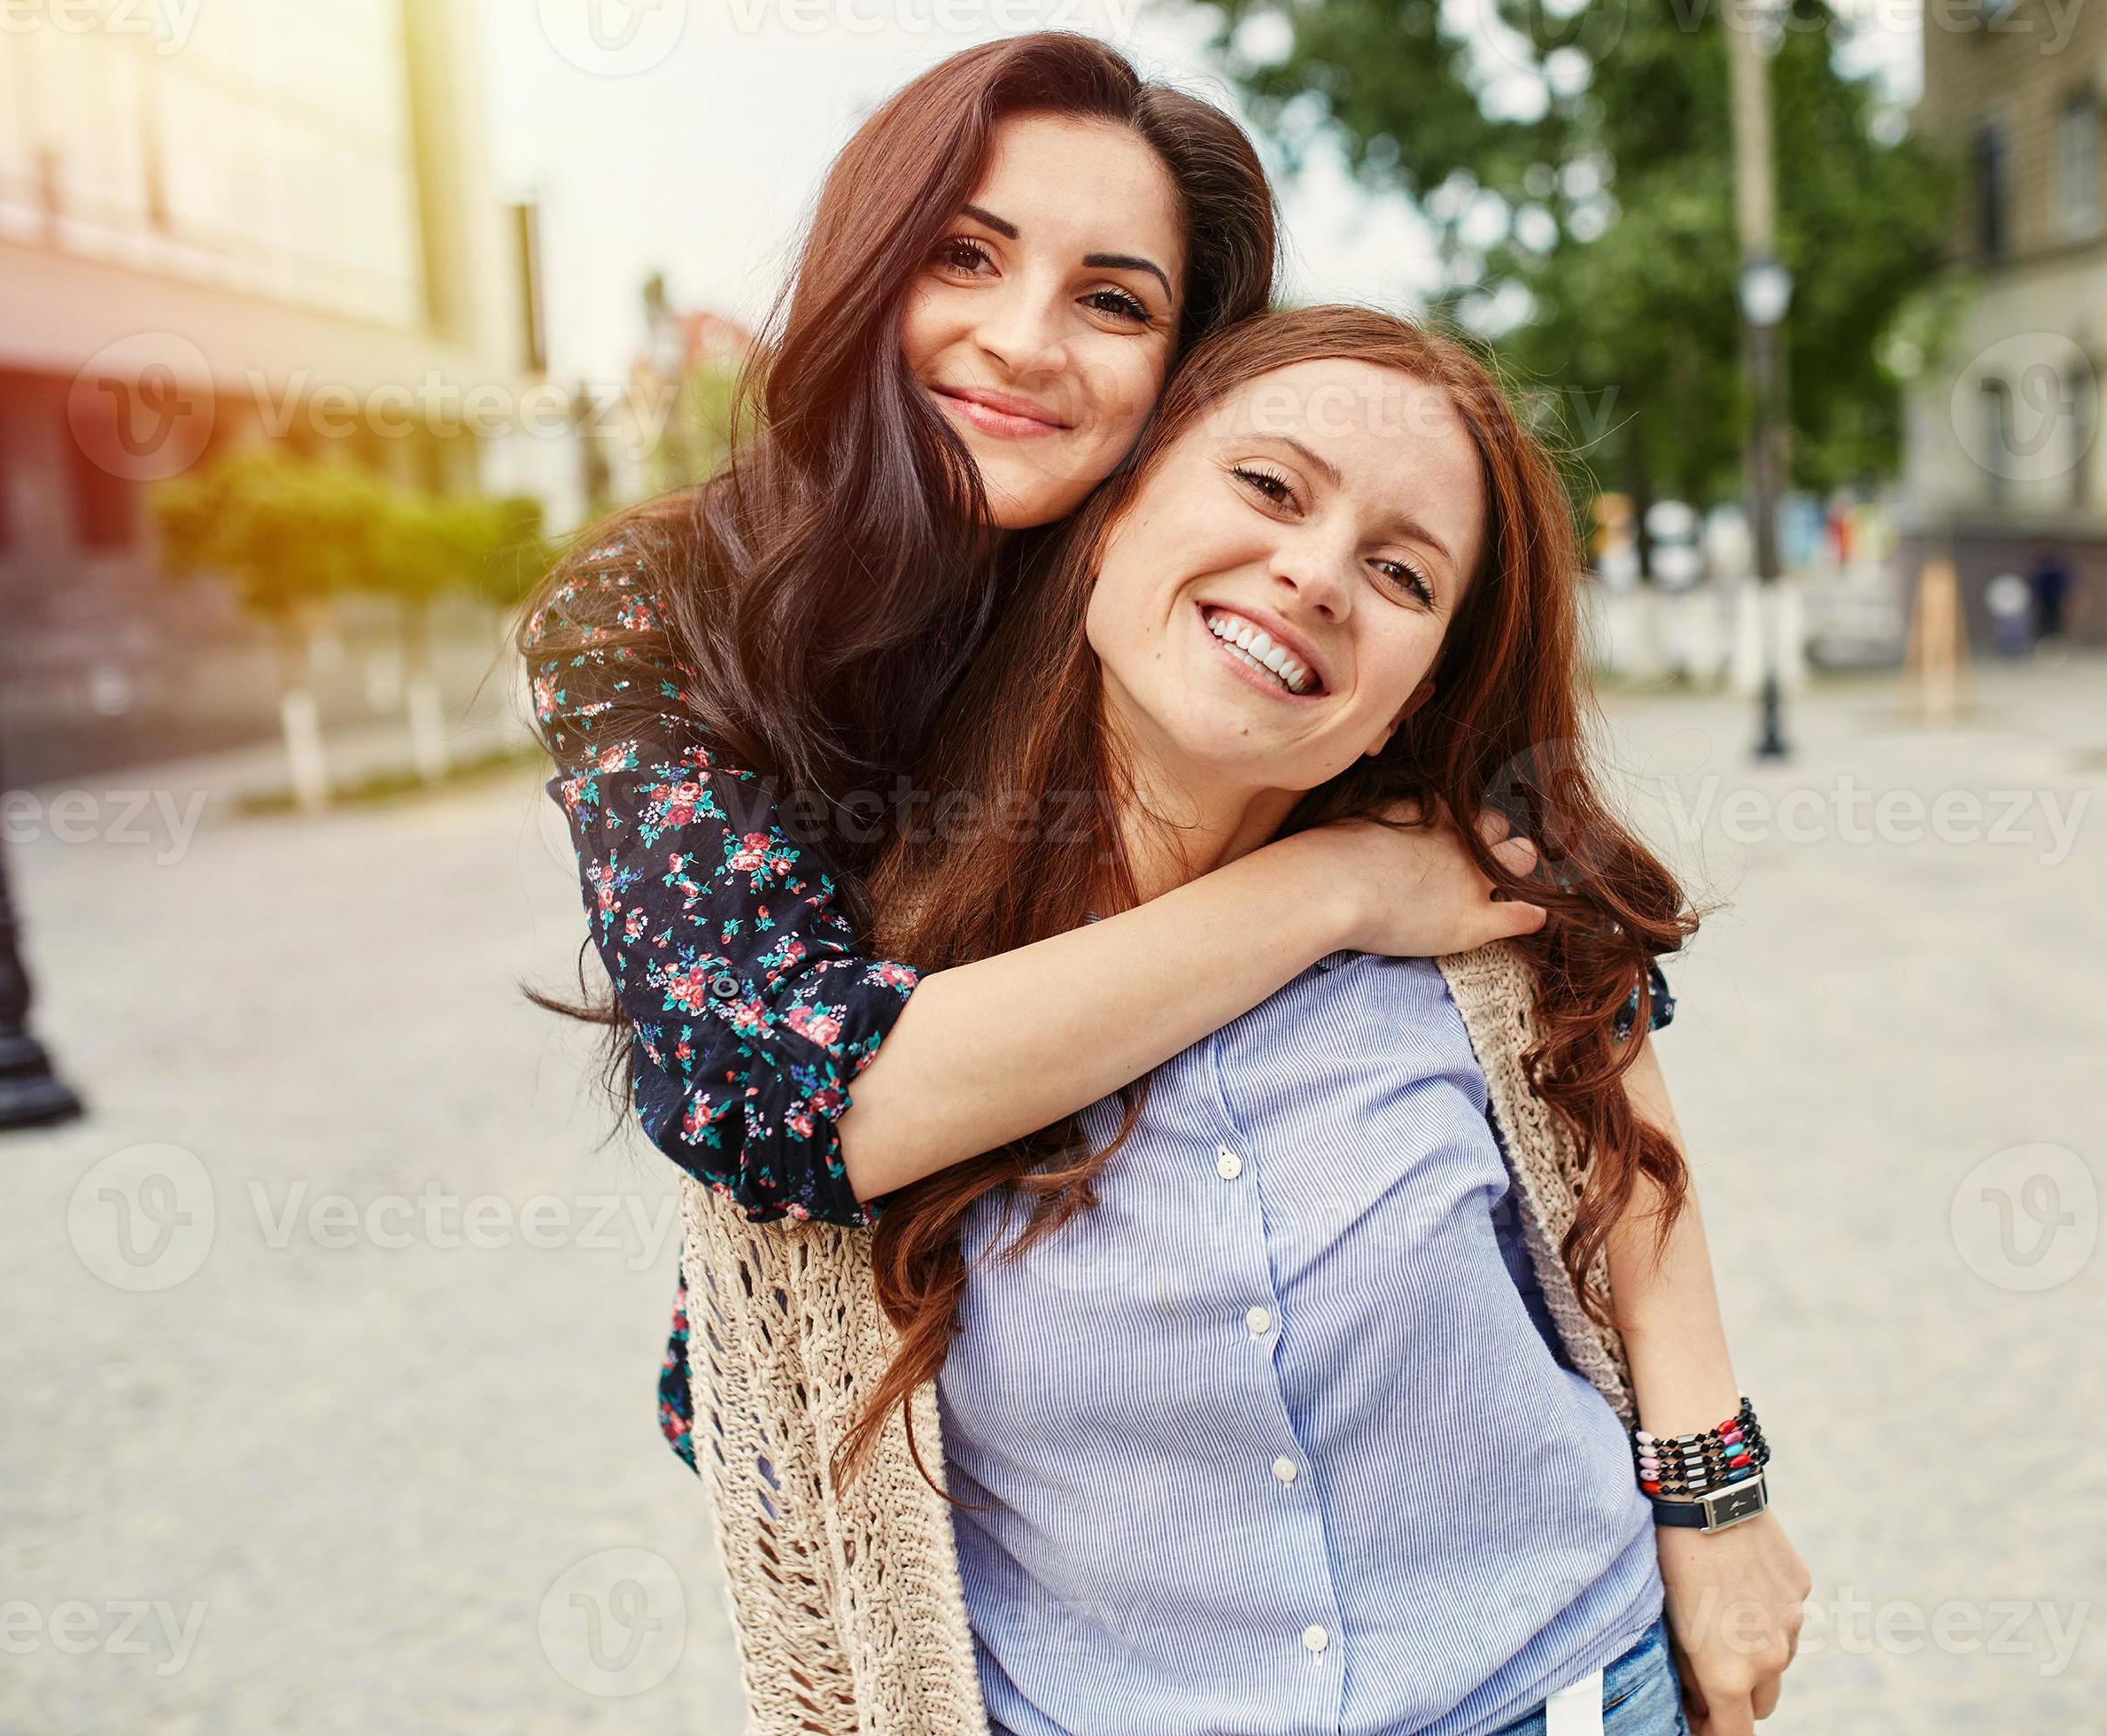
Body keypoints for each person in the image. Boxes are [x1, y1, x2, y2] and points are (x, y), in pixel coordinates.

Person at [681, 307, 1810, 1736]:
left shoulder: (1479, 920)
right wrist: (1327, 892)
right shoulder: (851, 981)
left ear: (1409, 700)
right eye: (1271, 487)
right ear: (1108, 519)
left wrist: (1718, 1501)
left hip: (1568, 1689)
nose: (1317, 575)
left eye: (1401, 573)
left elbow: (1626, 1151)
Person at [522, 35, 1547, 1469]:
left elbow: (1570, 954)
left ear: (1188, 372)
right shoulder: (659, 600)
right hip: (877, 1414)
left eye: (1113, 300)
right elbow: (767, 1089)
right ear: (867, 268)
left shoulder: (1223, 590)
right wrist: (1336, 890)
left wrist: (1710, 1468)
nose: (1022, 341)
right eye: (964, 256)